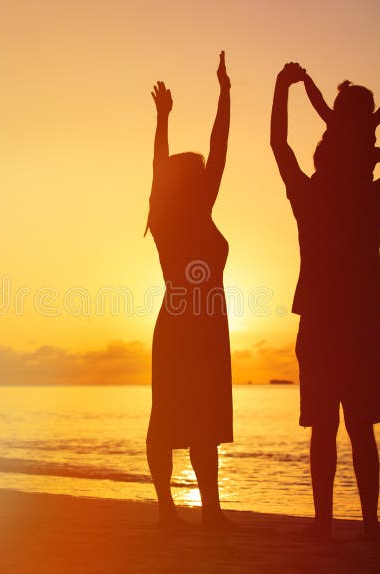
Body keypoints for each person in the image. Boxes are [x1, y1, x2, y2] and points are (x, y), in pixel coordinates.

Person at [270, 62, 380, 541]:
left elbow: (279, 145)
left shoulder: (311, 195)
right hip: (356, 327)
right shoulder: (368, 197)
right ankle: (368, 525)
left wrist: (282, 88)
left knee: (327, 429)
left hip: (322, 326)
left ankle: (327, 523)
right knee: (360, 429)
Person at [145, 51, 232, 530]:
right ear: (188, 183)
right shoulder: (171, 218)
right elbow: (164, 166)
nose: (206, 175)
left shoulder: (191, 214)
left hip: (201, 327)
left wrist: (225, 94)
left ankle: (206, 511)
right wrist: (163, 120)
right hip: (187, 325)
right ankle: (169, 508)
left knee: (203, 423)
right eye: (198, 174)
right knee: (171, 419)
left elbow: (217, 149)